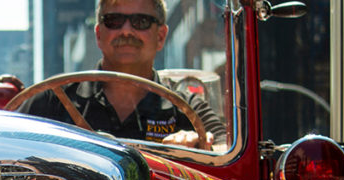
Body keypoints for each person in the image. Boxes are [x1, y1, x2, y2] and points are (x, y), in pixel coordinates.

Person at [17, 0, 226, 149]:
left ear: (161, 36)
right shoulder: (52, 100)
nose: (126, 31)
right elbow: (6, 147)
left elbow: (223, 150)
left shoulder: (186, 108)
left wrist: (198, 145)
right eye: (114, 21)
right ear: (99, 35)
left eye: (141, 21)